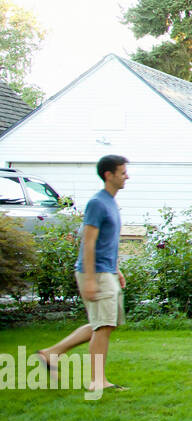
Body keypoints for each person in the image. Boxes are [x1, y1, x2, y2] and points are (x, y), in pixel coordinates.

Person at [37, 155, 130, 393]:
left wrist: (117, 269)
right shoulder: (97, 203)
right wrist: (89, 279)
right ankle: (97, 381)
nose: (126, 176)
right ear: (108, 175)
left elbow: (107, 243)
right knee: (103, 326)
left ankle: (52, 353)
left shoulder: (110, 202)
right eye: (122, 172)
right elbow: (88, 243)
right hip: (96, 273)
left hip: (106, 271)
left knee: (103, 324)